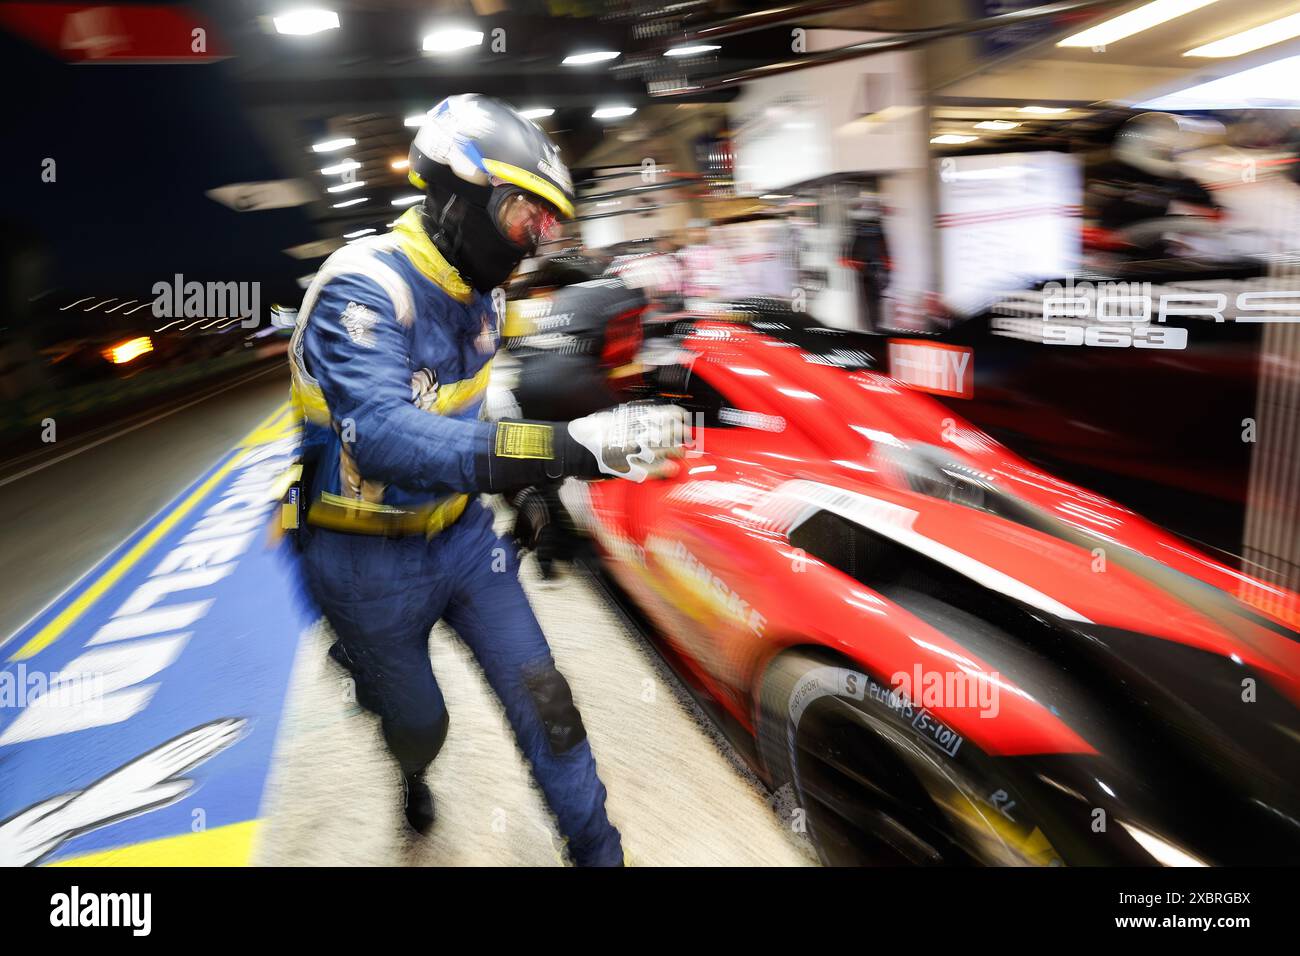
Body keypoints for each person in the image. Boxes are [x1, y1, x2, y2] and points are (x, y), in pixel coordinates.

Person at [286, 94, 686, 866]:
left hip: (465, 541)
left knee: (549, 702)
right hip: (361, 559)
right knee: (420, 725)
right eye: (519, 217)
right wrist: (569, 448)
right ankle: (405, 757)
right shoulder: (363, 288)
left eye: (546, 225)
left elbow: (480, 405)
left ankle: (601, 854)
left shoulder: (486, 297)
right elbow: (388, 438)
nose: (533, 243)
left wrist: (527, 491)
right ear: (454, 192)